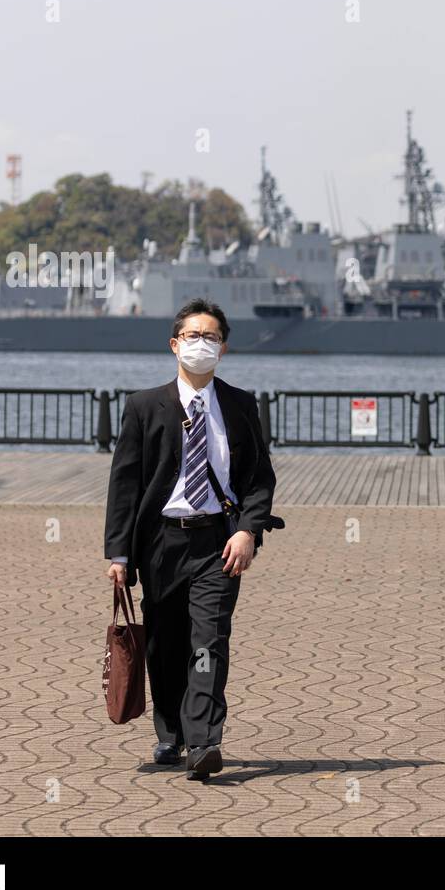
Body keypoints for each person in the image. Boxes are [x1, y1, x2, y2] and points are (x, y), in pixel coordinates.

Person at [104, 299, 283, 780]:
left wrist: (249, 529)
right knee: (165, 644)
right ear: (174, 344)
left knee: (209, 640)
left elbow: (259, 478)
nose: (200, 344)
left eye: (210, 337)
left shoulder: (241, 404)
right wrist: (118, 553)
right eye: (192, 336)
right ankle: (171, 733)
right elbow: (125, 484)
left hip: (218, 543)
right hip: (161, 542)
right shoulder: (144, 406)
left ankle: (204, 740)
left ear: (224, 347)